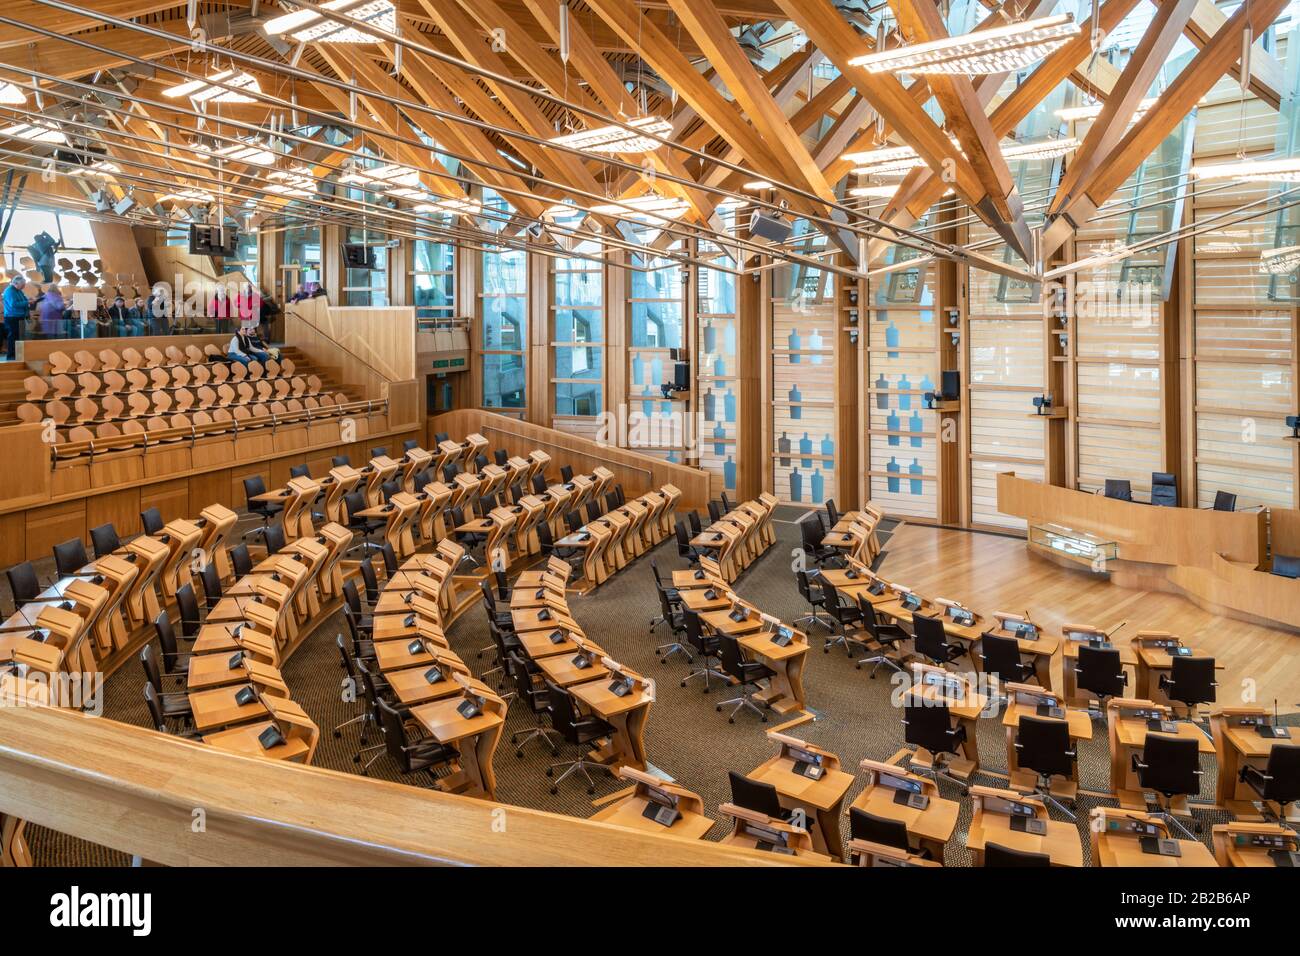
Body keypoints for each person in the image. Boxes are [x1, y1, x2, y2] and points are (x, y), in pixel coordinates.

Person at [3, 274, 30, 359]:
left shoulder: (19, 290)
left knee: (19, 337)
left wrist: (28, 301)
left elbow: (25, 300)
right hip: (12, 317)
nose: (24, 287)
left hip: (20, 317)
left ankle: (18, 354)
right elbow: (13, 304)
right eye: (23, 285)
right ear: (16, 283)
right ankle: (11, 356)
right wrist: (27, 302)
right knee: (13, 337)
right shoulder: (10, 291)